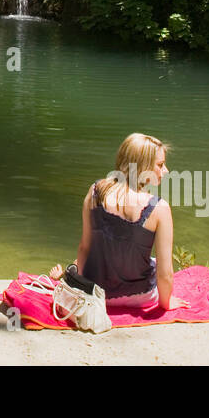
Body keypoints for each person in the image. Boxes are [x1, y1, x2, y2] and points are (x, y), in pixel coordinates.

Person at [49, 132, 190, 311]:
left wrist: (82, 289)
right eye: (160, 165)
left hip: (97, 295)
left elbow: (84, 247)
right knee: (154, 261)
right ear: (142, 166)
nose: (166, 171)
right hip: (140, 297)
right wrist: (166, 304)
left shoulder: (95, 191)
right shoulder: (159, 208)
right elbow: (165, 274)